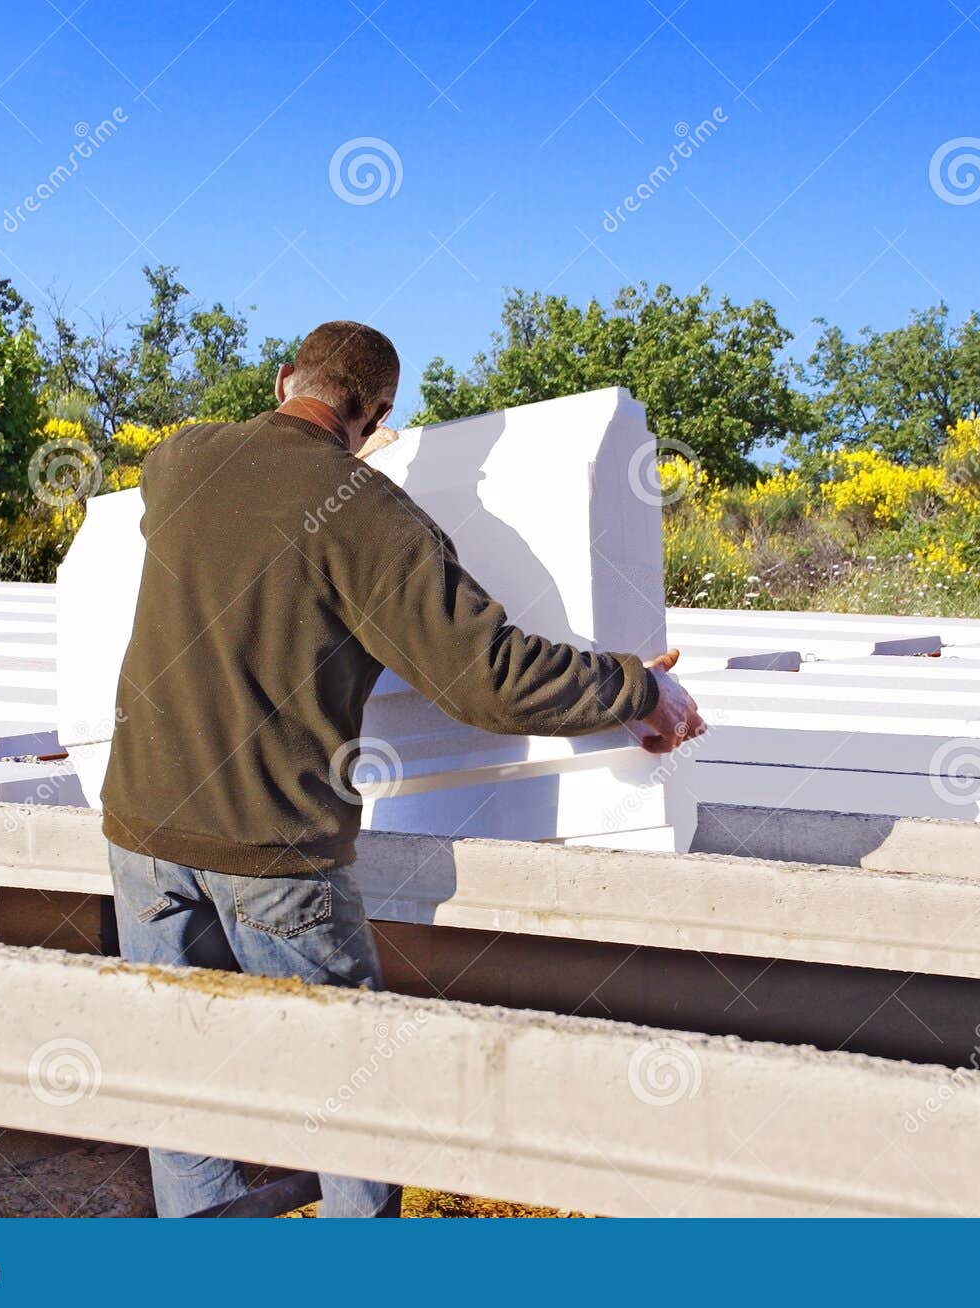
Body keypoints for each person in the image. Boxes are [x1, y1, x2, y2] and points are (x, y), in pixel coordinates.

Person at [101, 320, 706, 1218]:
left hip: (141, 833)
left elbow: (243, 513)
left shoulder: (182, 462)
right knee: (352, 1090)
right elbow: (488, 677)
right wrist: (635, 692)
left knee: (178, 1080)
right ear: (378, 412)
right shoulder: (369, 517)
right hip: (272, 853)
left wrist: (332, 463)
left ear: (282, 382)